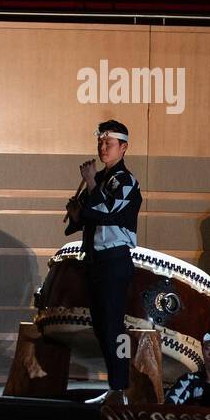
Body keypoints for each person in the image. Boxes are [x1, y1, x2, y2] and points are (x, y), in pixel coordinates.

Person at [64, 120, 143, 405]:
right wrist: (75, 213)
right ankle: (114, 385)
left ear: (124, 147)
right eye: (100, 142)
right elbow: (86, 217)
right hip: (96, 260)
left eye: (109, 143)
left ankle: (120, 389)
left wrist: (90, 182)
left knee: (112, 326)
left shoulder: (126, 180)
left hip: (114, 260)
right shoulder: (100, 180)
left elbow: (106, 210)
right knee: (101, 326)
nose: (102, 147)